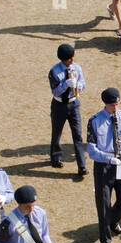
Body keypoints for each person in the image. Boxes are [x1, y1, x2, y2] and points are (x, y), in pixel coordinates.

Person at [87, 86, 121, 243]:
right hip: (104, 166)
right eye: (111, 105)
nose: (115, 108)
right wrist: (109, 158)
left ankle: (113, 222)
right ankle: (105, 241)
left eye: (116, 104)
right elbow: (91, 150)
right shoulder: (94, 121)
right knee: (103, 206)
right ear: (105, 104)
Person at [48, 41, 86, 176]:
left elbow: (83, 83)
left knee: (78, 135)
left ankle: (82, 165)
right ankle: (56, 156)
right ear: (64, 59)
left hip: (74, 103)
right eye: (70, 58)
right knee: (57, 133)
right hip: (59, 105)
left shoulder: (77, 68)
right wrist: (65, 85)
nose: (73, 60)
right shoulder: (54, 72)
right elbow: (55, 91)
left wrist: (77, 85)